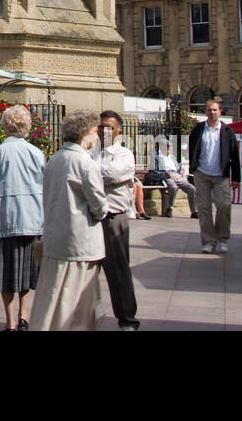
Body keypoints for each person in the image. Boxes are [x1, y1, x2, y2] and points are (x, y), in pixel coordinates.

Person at [29, 110, 108, 331]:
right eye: (94, 132)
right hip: (79, 242)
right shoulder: (84, 162)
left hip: (55, 237)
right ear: (84, 133)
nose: (96, 137)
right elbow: (99, 205)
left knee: (51, 297)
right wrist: (103, 210)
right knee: (76, 305)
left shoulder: (56, 158)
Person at [0, 105, 46, 331]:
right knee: (26, 271)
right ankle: (23, 315)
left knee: (5, 273)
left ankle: (10, 321)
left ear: (5, 126)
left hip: (6, 220)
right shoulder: (37, 153)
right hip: (33, 219)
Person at [96, 110, 141, 331]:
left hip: (114, 217)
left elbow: (113, 175)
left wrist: (92, 174)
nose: (103, 131)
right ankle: (84, 316)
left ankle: (127, 319)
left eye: (109, 127)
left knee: (118, 270)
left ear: (118, 131)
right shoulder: (90, 152)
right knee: (84, 271)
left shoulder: (124, 154)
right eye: (101, 126)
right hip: (91, 218)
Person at [189, 98, 242, 254]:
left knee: (224, 205)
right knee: (204, 208)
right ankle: (208, 240)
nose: (212, 113)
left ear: (220, 112)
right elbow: (191, 148)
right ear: (205, 112)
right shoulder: (198, 130)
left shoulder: (227, 131)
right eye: (209, 110)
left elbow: (234, 155)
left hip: (221, 174)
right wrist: (193, 167)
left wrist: (236, 178)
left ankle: (222, 239)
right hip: (202, 173)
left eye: (215, 110)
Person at [153, 140, 197, 218]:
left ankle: (194, 211)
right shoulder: (156, 157)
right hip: (166, 176)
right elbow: (154, 172)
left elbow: (178, 169)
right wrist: (167, 174)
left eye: (169, 147)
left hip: (176, 175)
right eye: (167, 147)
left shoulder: (172, 157)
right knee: (173, 187)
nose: (168, 149)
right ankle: (170, 207)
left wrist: (180, 175)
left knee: (192, 189)